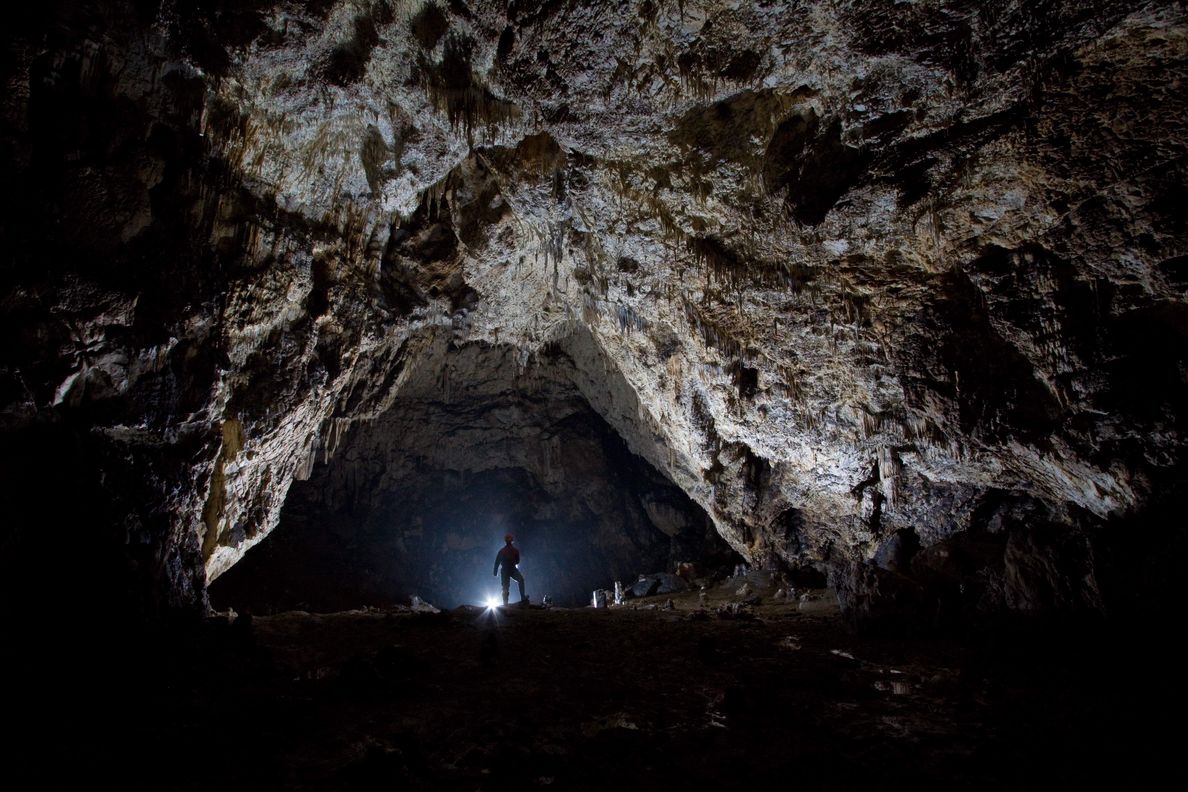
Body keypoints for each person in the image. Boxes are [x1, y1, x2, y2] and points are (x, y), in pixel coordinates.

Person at [493, 533, 527, 607]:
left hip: (506, 570)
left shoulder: (502, 551)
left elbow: (497, 562)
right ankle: (523, 598)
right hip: (512, 569)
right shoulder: (515, 551)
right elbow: (518, 561)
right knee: (520, 580)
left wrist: (495, 572)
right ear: (512, 541)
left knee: (505, 587)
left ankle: (505, 603)